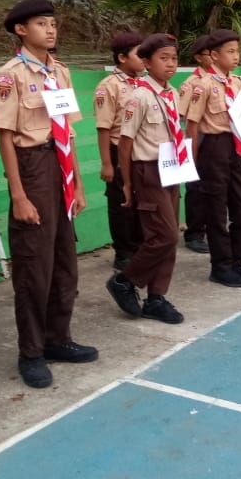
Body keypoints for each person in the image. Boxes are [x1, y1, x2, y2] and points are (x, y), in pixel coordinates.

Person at [0, 0, 98, 390]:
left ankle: (59, 338)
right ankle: (31, 351)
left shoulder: (62, 72)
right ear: (21, 30)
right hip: (32, 165)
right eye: (41, 24)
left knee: (64, 262)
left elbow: (68, 131)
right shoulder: (11, 75)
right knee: (34, 266)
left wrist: (78, 185)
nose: (51, 30)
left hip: (61, 165)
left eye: (53, 23)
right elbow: (5, 136)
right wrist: (18, 195)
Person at [105, 33, 185, 324]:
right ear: (147, 62)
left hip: (171, 167)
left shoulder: (171, 93)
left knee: (169, 237)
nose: (171, 64)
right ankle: (125, 280)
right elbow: (125, 142)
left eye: (174, 58)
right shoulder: (138, 96)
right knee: (164, 235)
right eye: (163, 59)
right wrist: (127, 182)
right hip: (147, 171)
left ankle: (156, 298)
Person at [184, 29, 241, 287]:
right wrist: (190, 161)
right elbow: (192, 125)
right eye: (230, 52)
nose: (236, 57)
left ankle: (237, 260)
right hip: (212, 148)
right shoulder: (202, 85)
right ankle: (221, 265)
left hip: (234, 147)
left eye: (237, 51)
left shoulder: (236, 83)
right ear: (214, 55)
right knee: (216, 210)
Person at [93, 33, 145, 272]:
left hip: (142, 150)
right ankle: (124, 252)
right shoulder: (109, 87)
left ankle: (141, 245)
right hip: (117, 150)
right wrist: (107, 163)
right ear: (122, 58)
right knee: (121, 202)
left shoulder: (144, 83)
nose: (144, 59)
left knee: (142, 200)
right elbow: (104, 128)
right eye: (139, 54)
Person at [178, 35, 212, 253]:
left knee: (213, 186)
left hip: (218, 139)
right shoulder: (191, 84)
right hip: (198, 136)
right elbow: (183, 116)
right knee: (196, 187)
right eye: (209, 53)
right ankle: (194, 233)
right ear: (199, 57)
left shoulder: (223, 80)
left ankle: (209, 228)